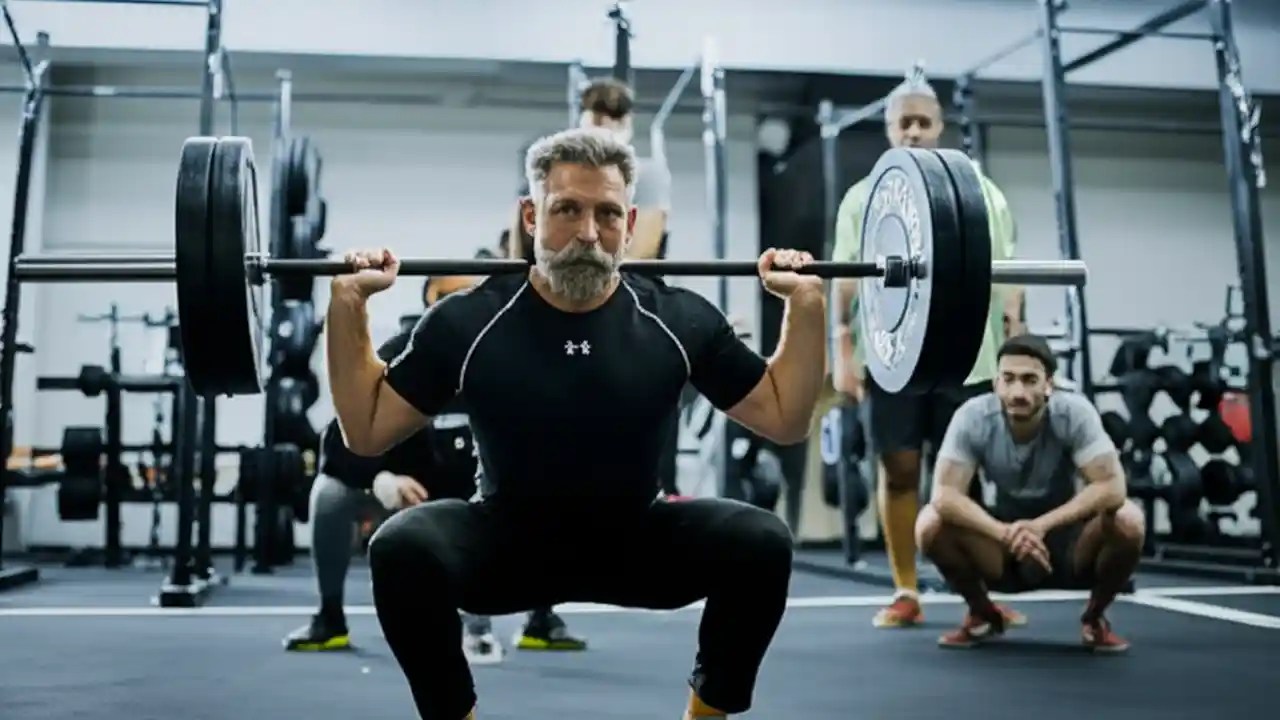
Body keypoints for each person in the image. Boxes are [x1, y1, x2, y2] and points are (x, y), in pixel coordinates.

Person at [326, 126, 826, 720]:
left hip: (637, 543)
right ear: (531, 216)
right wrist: (348, 305)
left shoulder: (677, 318)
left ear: (631, 223)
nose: (588, 234)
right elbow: (367, 429)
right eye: (567, 209)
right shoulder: (470, 321)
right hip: (506, 545)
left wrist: (807, 305)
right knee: (401, 549)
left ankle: (704, 716)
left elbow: (786, 417)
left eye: (607, 214)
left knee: (762, 542)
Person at [284, 273, 578, 661]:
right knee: (330, 493)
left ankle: (539, 618)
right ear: (430, 302)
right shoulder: (399, 354)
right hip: (408, 498)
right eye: (452, 296)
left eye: (472, 295)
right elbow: (339, 441)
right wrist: (379, 479)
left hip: (486, 503)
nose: (464, 306)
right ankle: (330, 619)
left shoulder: (513, 357)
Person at [829, 66, 1025, 628]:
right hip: (890, 357)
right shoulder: (863, 198)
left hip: (969, 357)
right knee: (898, 471)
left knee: (963, 477)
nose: (913, 132)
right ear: (889, 128)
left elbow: (1006, 277)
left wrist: (1014, 349)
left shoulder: (982, 194)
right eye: (903, 123)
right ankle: (906, 590)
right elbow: (845, 277)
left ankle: (978, 600)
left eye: (923, 122)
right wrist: (842, 351)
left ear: (941, 126)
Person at [918, 335, 1144, 652]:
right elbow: (943, 494)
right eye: (1008, 379)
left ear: (1049, 384)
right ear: (996, 383)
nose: (1018, 392)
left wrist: (1040, 526)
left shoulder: (1074, 412)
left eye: (1029, 380)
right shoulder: (973, 416)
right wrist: (1006, 533)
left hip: (1069, 544)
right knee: (929, 523)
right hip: (1000, 547)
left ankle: (1094, 618)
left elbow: (1113, 487)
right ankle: (982, 614)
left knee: (1129, 520)